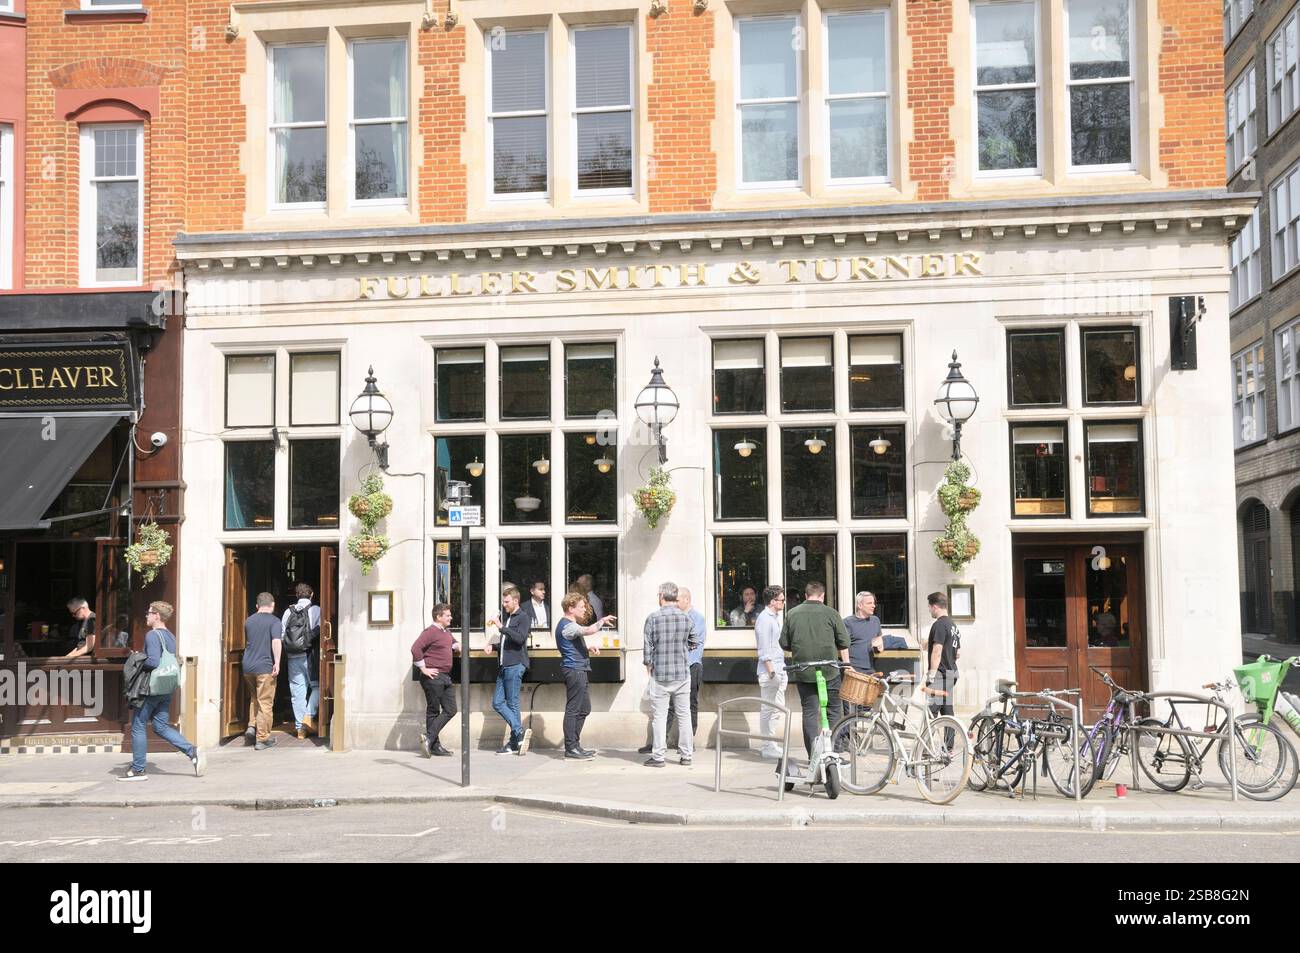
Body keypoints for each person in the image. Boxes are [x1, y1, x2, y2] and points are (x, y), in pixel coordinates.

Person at [119, 601, 203, 781]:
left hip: (152, 688)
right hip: (166, 687)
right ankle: (192, 751)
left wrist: (136, 657)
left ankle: (138, 769)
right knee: (160, 726)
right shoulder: (170, 636)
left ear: (157, 615)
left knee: (138, 726)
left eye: (149, 613)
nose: (146, 616)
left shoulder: (152, 635)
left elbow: (153, 662)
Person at [779, 581, 850, 760]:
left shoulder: (792, 614)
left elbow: (784, 643)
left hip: (804, 670)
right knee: (834, 710)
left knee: (810, 712)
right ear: (822, 595)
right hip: (830, 670)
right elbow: (844, 642)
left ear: (805, 595)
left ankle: (813, 756)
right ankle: (833, 753)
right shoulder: (831, 613)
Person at [642, 582, 703, 767]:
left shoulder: (653, 618)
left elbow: (647, 649)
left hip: (661, 673)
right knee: (684, 715)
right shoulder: (686, 618)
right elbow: (695, 640)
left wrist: (649, 665)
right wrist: (683, 648)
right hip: (682, 673)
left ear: (661, 596)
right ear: (675, 597)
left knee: (659, 716)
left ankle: (659, 756)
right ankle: (686, 755)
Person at [556, 590, 616, 760]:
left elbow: (572, 641)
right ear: (570, 608)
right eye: (581, 607)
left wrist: (586, 648)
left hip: (579, 669)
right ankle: (571, 747)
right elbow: (588, 630)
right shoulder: (568, 625)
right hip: (574, 670)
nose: (585, 609)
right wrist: (602, 621)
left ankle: (575, 745)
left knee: (584, 708)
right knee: (574, 709)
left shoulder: (569, 626)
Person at [411, 602, 461, 757]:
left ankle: (430, 739)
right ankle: (434, 745)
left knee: (451, 709)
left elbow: (451, 642)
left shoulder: (446, 631)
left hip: (445, 676)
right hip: (433, 677)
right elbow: (415, 648)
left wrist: (456, 644)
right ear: (438, 617)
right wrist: (423, 668)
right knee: (433, 711)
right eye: (447, 615)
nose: (451, 617)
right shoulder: (430, 631)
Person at [486, 585, 531, 755]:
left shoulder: (523, 617)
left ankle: (514, 740)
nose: (504, 604)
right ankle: (517, 737)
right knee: (497, 702)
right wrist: (493, 645)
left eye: (506, 601)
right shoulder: (509, 618)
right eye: (503, 601)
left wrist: (500, 626)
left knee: (512, 703)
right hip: (504, 665)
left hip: (515, 664)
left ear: (515, 601)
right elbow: (507, 642)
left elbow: (519, 638)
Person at [242, 592, 282, 750]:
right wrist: (277, 662)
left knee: (254, 698)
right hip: (264, 666)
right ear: (272, 605)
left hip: (248, 666)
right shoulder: (275, 621)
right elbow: (276, 641)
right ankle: (262, 738)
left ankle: (252, 726)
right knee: (265, 702)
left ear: (257, 606)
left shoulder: (249, 621)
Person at [282, 582, 321, 739]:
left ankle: (300, 728)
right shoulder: (316, 610)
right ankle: (308, 717)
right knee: (317, 687)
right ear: (311, 595)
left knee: (297, 691)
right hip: (309, 655)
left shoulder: (287, 612)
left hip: (292, 656)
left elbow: (282, 633)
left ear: (296, 595)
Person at [754, 585, 788, 760]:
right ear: (773, 601)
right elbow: (764, 648)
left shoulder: (775, 617)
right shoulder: (765, 619)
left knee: (777, 709)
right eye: (782, 600)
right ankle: (767, 745)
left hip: (779, 668)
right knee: (768, 708)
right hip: (771, 671)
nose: (784, 602)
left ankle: (771, 742)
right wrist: (772, 672)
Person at [925, 591, 961, 728]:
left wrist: (932, 675)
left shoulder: (939, 625)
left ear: (935, 606)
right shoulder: (953, 626)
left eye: (929, 607)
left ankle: (926, 746)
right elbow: (957, 653)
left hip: (941, 674)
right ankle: (949, 748)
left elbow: (937, 651)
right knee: (947, 711)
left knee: (931, 711)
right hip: (952, 673)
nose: (929, 610)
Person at [843, 591, 884, 676]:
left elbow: (879, 642)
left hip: (871, 669)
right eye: (869, 603)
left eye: (874, 603)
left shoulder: (875, 620)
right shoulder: (848, 622)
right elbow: (843, 646)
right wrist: (847, 666)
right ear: (860, 605)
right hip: (854, 669)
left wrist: (879, 647)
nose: (873, 606)